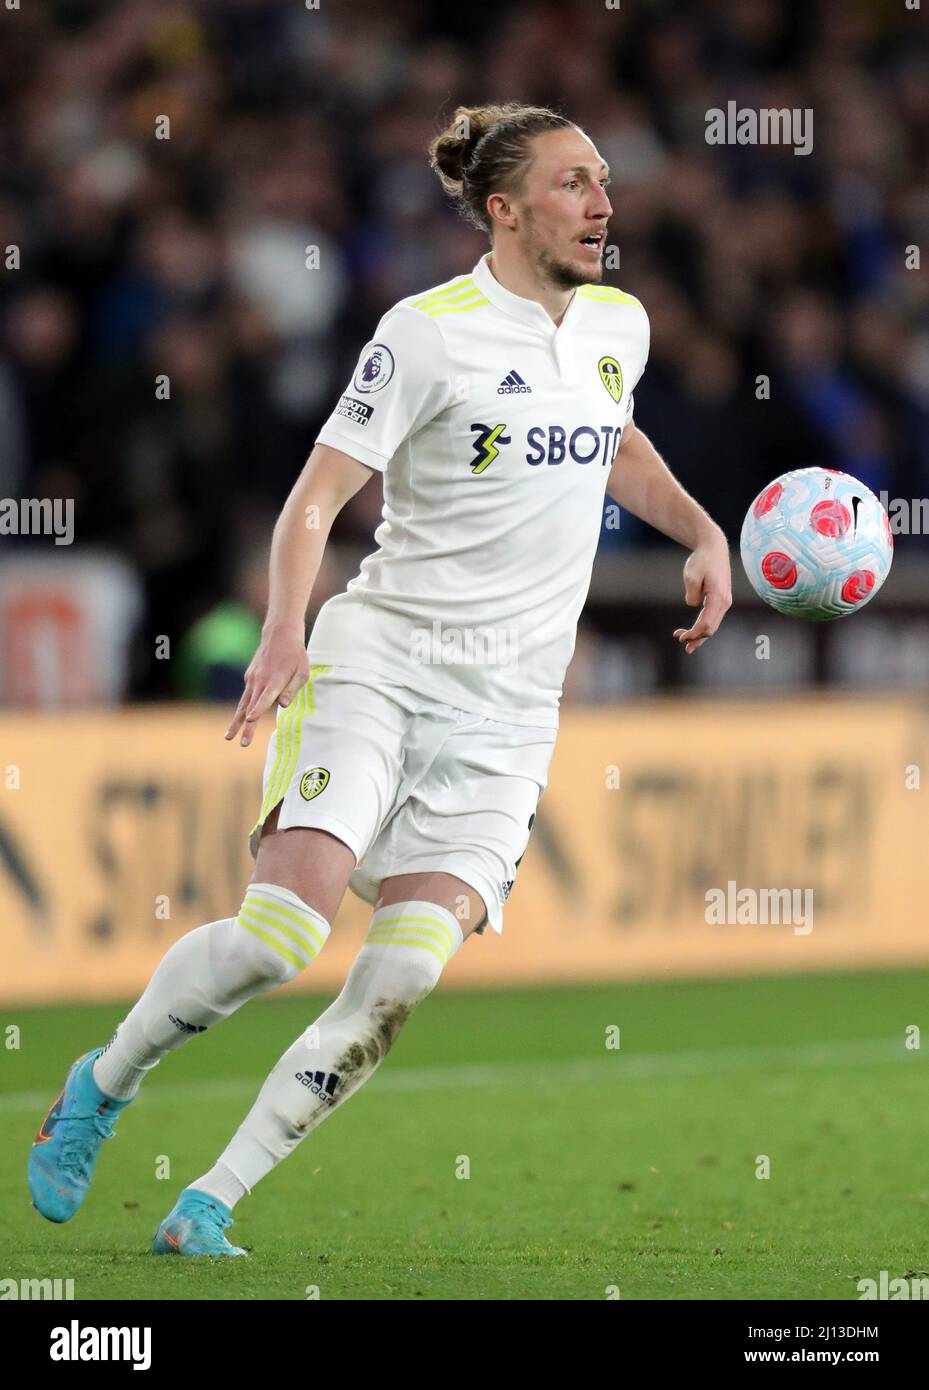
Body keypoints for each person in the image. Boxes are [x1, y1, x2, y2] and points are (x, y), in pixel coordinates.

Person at [28, 103, 732, 1257]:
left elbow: (611, 435)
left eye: (603, 180)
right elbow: (316, 496)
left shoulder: (620, 324)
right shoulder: (426, 333)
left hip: (509, 718)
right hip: (383, 667)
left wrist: (700, 528)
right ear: (503, 210)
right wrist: (283, 631)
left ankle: (208, 1202)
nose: (602, 202)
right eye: (571, 183)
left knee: (394, 988)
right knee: (275, 939)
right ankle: (103, 1082)